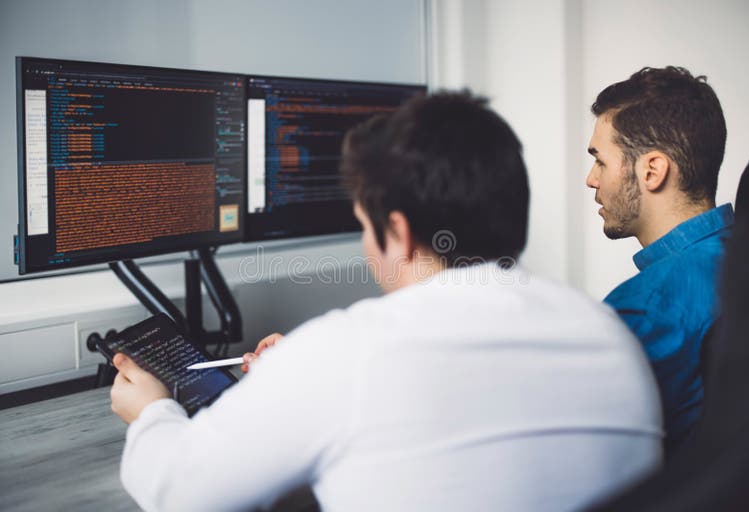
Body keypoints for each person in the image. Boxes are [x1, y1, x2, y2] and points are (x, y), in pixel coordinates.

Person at [111, 92, 662, 512]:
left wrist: (152, 411)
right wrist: (295, 378)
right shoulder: (607, 333)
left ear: (396, 232)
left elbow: (179, 490)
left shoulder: (350, 352)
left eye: (363, 227)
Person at [585, 66, 734, 453]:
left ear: (652, 171)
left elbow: (593, 456)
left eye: (600, 160)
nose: (591, 178)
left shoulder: (647, 307)